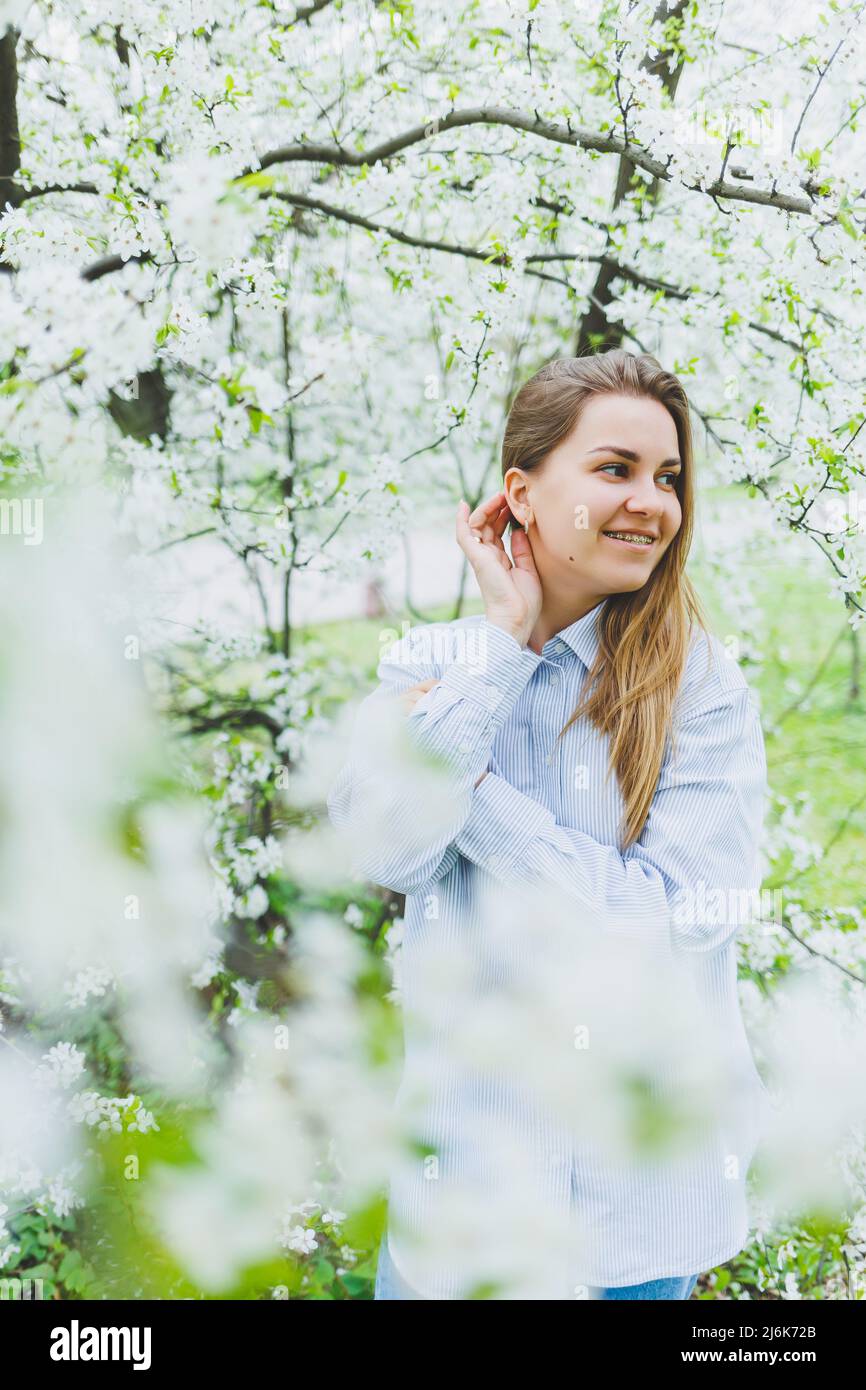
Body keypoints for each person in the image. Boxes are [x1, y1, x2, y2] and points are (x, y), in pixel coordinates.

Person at [328, 349, 772, 1300]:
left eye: (668, 477)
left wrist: (471, 795)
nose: (652, 501)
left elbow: (670, 923)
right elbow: (385, 851)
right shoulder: (433, 665)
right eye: (615, 469)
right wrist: (497, 656)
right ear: (522, 494)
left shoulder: (702, 689)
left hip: (639, 1229)